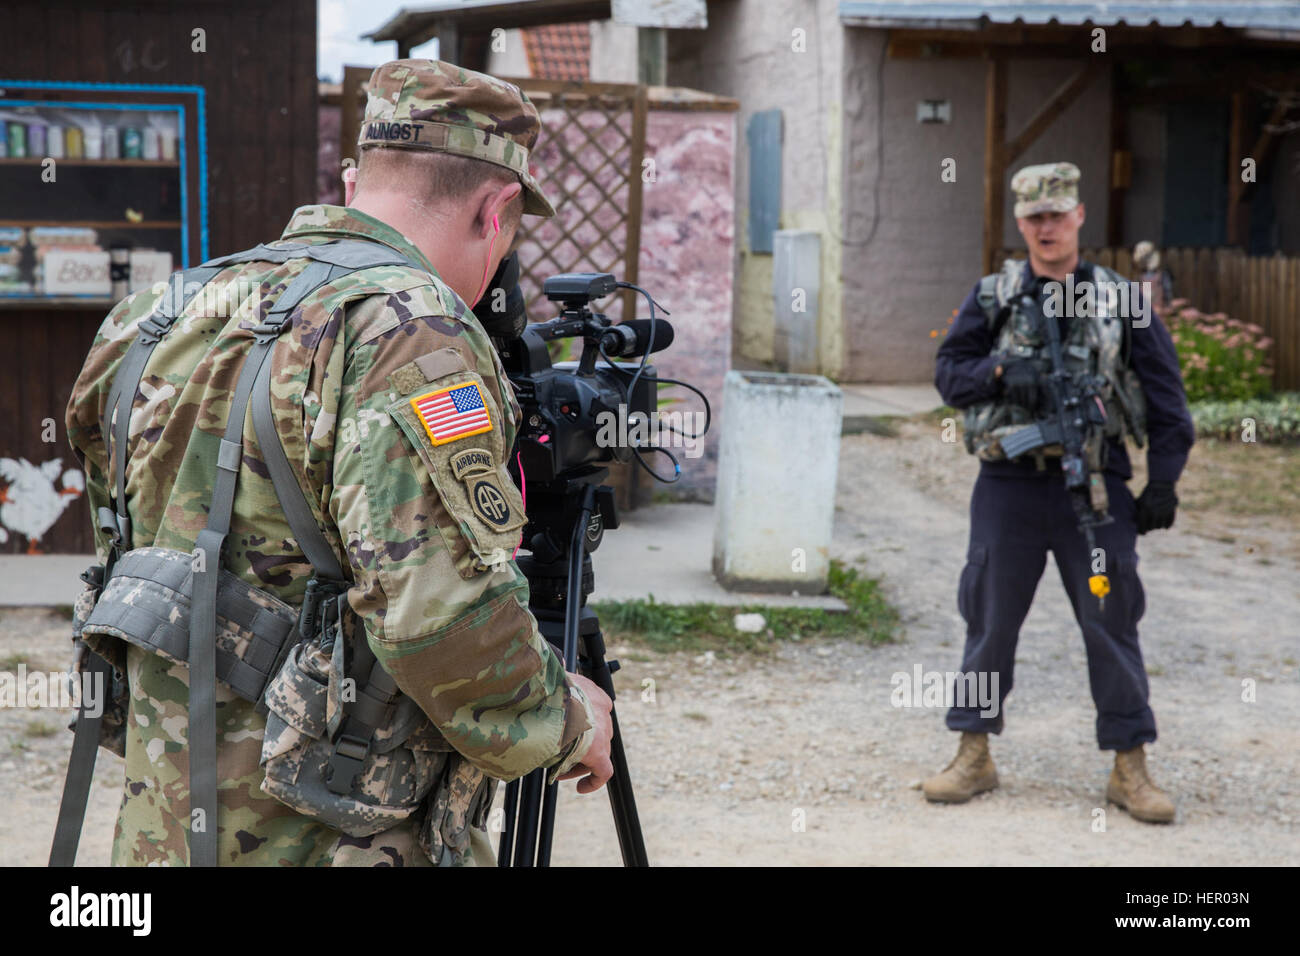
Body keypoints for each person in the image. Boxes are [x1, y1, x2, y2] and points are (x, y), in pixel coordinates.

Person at [64, 59, 614, 866]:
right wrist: (570, 720)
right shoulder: (410, 331)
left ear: (354, 178)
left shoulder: (161, 310)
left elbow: (127, 542)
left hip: (167, 829)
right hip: (330, 833)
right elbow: (441, 617)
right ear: (497, 210)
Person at [927, 161, 1195, 824]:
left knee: (1111, 620)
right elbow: (948, 376)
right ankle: (974, 752)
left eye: (1058, 214)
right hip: (1009, 489)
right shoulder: (993, 295)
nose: (1047, 227)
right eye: (1034, 217)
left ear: (1079, 217)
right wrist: (999, 371)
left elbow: (1167, 397)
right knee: (989, 622)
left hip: (1095, 494)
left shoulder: (1121, 299)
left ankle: (1129, 766)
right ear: (1021, 224)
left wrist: (1163, 478)